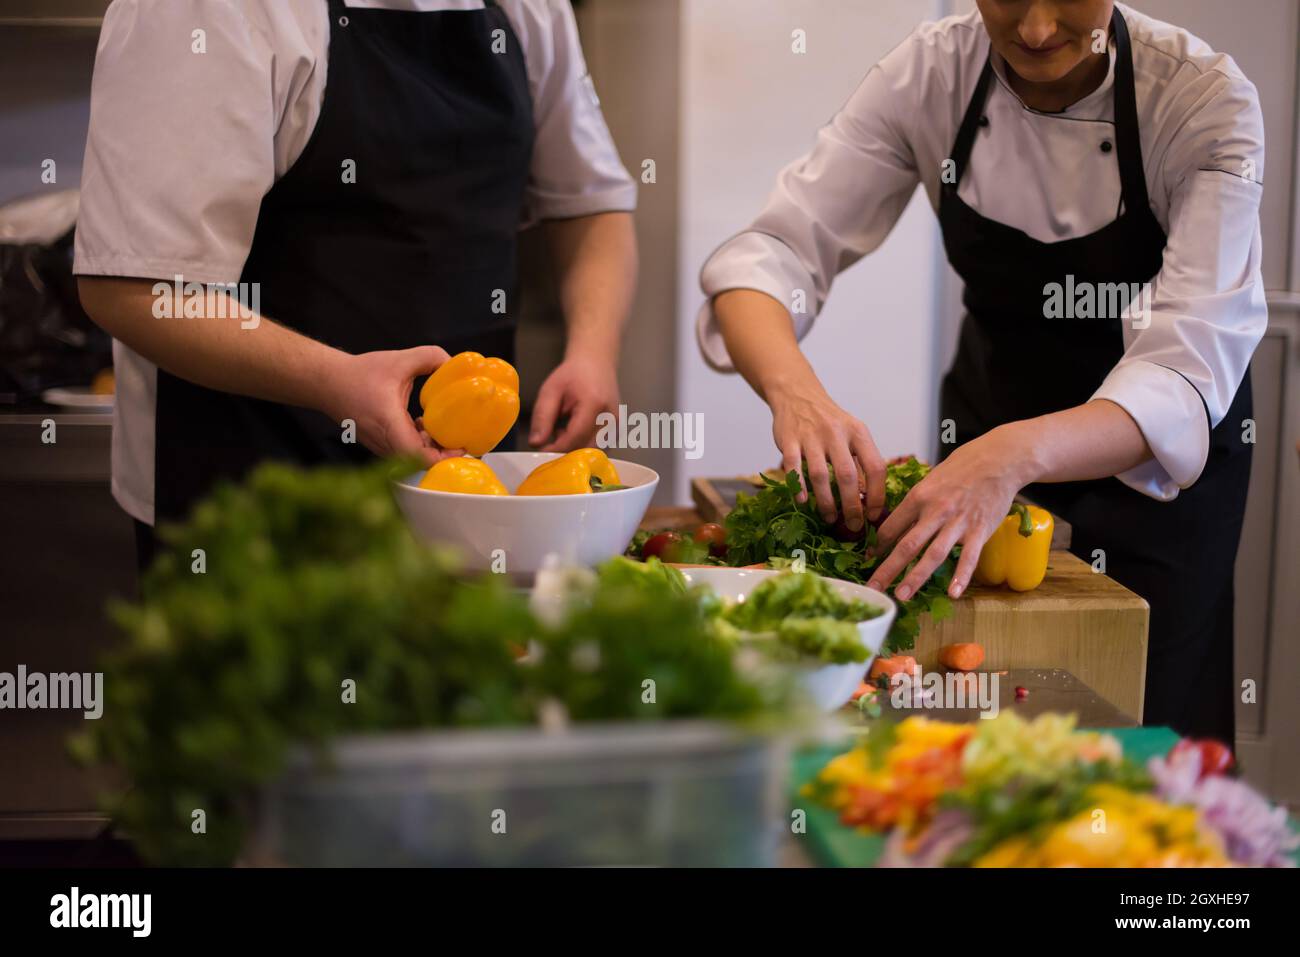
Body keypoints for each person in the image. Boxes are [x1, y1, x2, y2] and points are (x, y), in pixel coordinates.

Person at [698, 1, 1265, 743]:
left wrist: (1010, 455)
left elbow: (1181, 370)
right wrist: (796, 394)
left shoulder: (1199, 100)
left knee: (1136, 742)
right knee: (956, 722)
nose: (1033, 30)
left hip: (1152, 490)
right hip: (984, 438)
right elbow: (771, 254)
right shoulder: (932, 74)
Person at [75, 0, 637, 565]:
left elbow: (591, 205)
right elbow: (131, 286)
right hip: (249, 497)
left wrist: (593, 350)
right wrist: (334, 381)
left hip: (463, 498)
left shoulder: (529, 9)